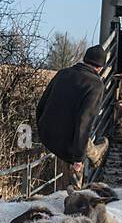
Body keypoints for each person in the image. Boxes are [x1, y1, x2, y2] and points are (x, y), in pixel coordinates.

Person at [35, 45, 110, 189]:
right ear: (100, 67)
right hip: (67, 144)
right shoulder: (95, 85)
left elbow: (42, 104)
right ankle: (94, 156)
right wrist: (78, 159)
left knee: (76, 132)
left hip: (46, 134)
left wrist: (42, 129)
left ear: (85, 59)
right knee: (75, 184)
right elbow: (84, 122)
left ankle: (95, 153)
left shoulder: (63, 73)